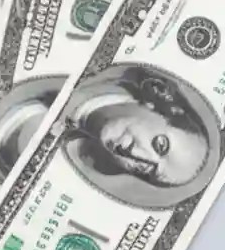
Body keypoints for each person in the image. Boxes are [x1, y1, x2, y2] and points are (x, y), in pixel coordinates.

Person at [64, 66, 210, 190]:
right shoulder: (101, 70)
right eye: (160, 145)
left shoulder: (66, 159)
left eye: (147, 170)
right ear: (164, 108)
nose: (139, 156)